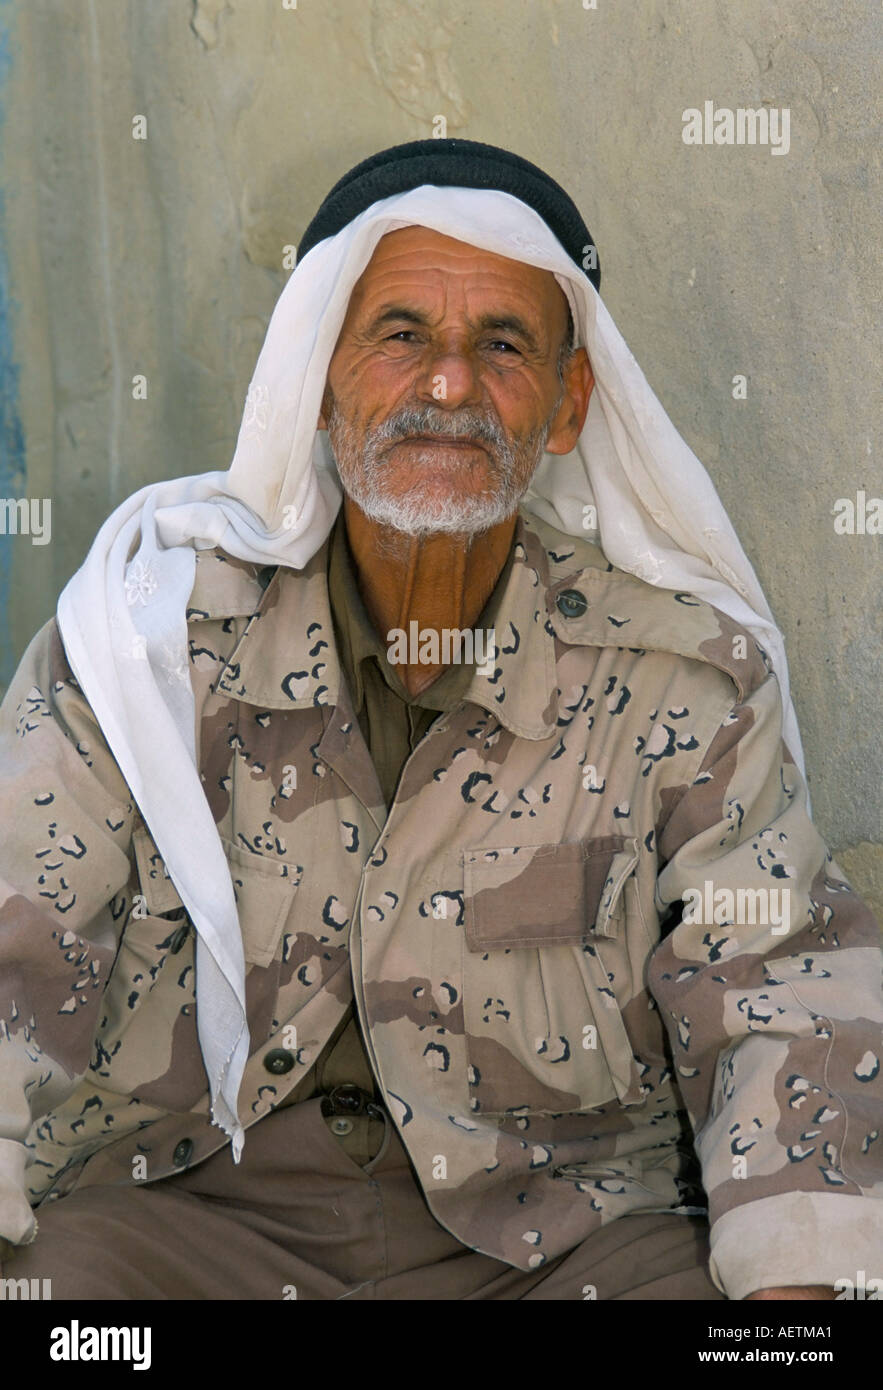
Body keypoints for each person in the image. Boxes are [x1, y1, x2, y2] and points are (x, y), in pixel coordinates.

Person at [0, 139, 880, 1301]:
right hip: (196, 1218)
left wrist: (791, 1296)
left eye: (502, 345)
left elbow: (777, 986)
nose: (449, 385)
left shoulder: (681, 679)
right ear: (320, 377)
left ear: (568, 407)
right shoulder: (147, 642)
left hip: (562, 1236)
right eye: (401, 334)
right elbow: (16, 929)